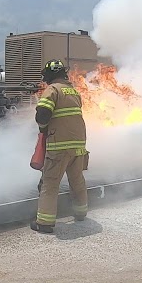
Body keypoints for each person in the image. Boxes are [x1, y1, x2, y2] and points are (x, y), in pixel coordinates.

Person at [31, 59, 89, 234]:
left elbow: (42, 114)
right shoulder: (73, 91)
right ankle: (80, 213)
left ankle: (45, 223)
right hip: (78, 146)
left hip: (59, 146)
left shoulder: (52, 90)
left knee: (50, 183)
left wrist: (43, 129)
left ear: (50, 75)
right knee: (77, 181)